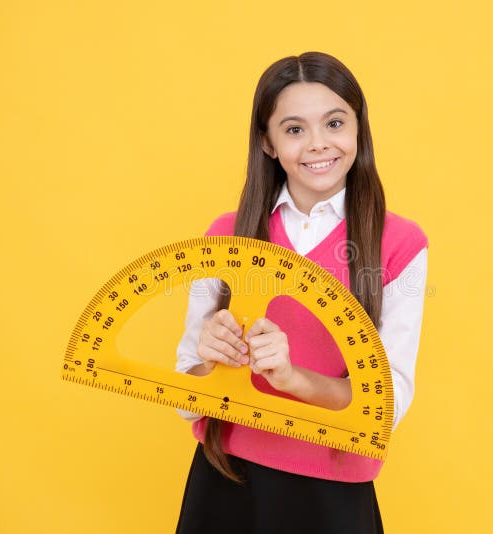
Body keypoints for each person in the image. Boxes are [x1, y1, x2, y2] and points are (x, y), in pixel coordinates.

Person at [174, 51, 429, 534]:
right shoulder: (226, 235)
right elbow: (187, 398)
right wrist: (208, 361)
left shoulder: (399, 244)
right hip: (226, 481)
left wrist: (293, 379)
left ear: (359, 129)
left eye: (334, 123)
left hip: (333, 495)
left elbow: (386, 408)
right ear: (267, 142)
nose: (318, 144)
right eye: (294, 129)